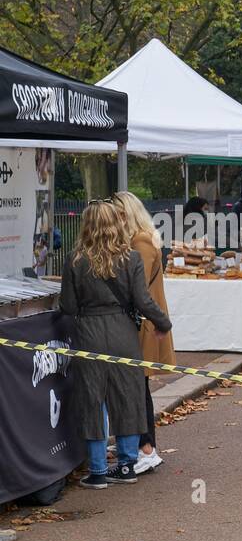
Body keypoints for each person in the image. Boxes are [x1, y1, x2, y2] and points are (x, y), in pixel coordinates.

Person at [59, 201, 172, 488]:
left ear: (87, 225)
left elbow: (69, 306)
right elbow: (143, 301)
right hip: (123, 333)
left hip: (89, 335)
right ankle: (125, 466)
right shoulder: (131, 257)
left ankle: (97, 471)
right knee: (128, 399)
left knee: (92, 401)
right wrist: (163, 323)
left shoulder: (75, 259)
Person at [112, 191, 174, 474]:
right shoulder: (143, 240)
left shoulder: (140, 243)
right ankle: (141, 444)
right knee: (139, 387)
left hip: (143, 325)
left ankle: (145, 447)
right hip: (145, 322)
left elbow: (136, 291)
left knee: (138, 389)